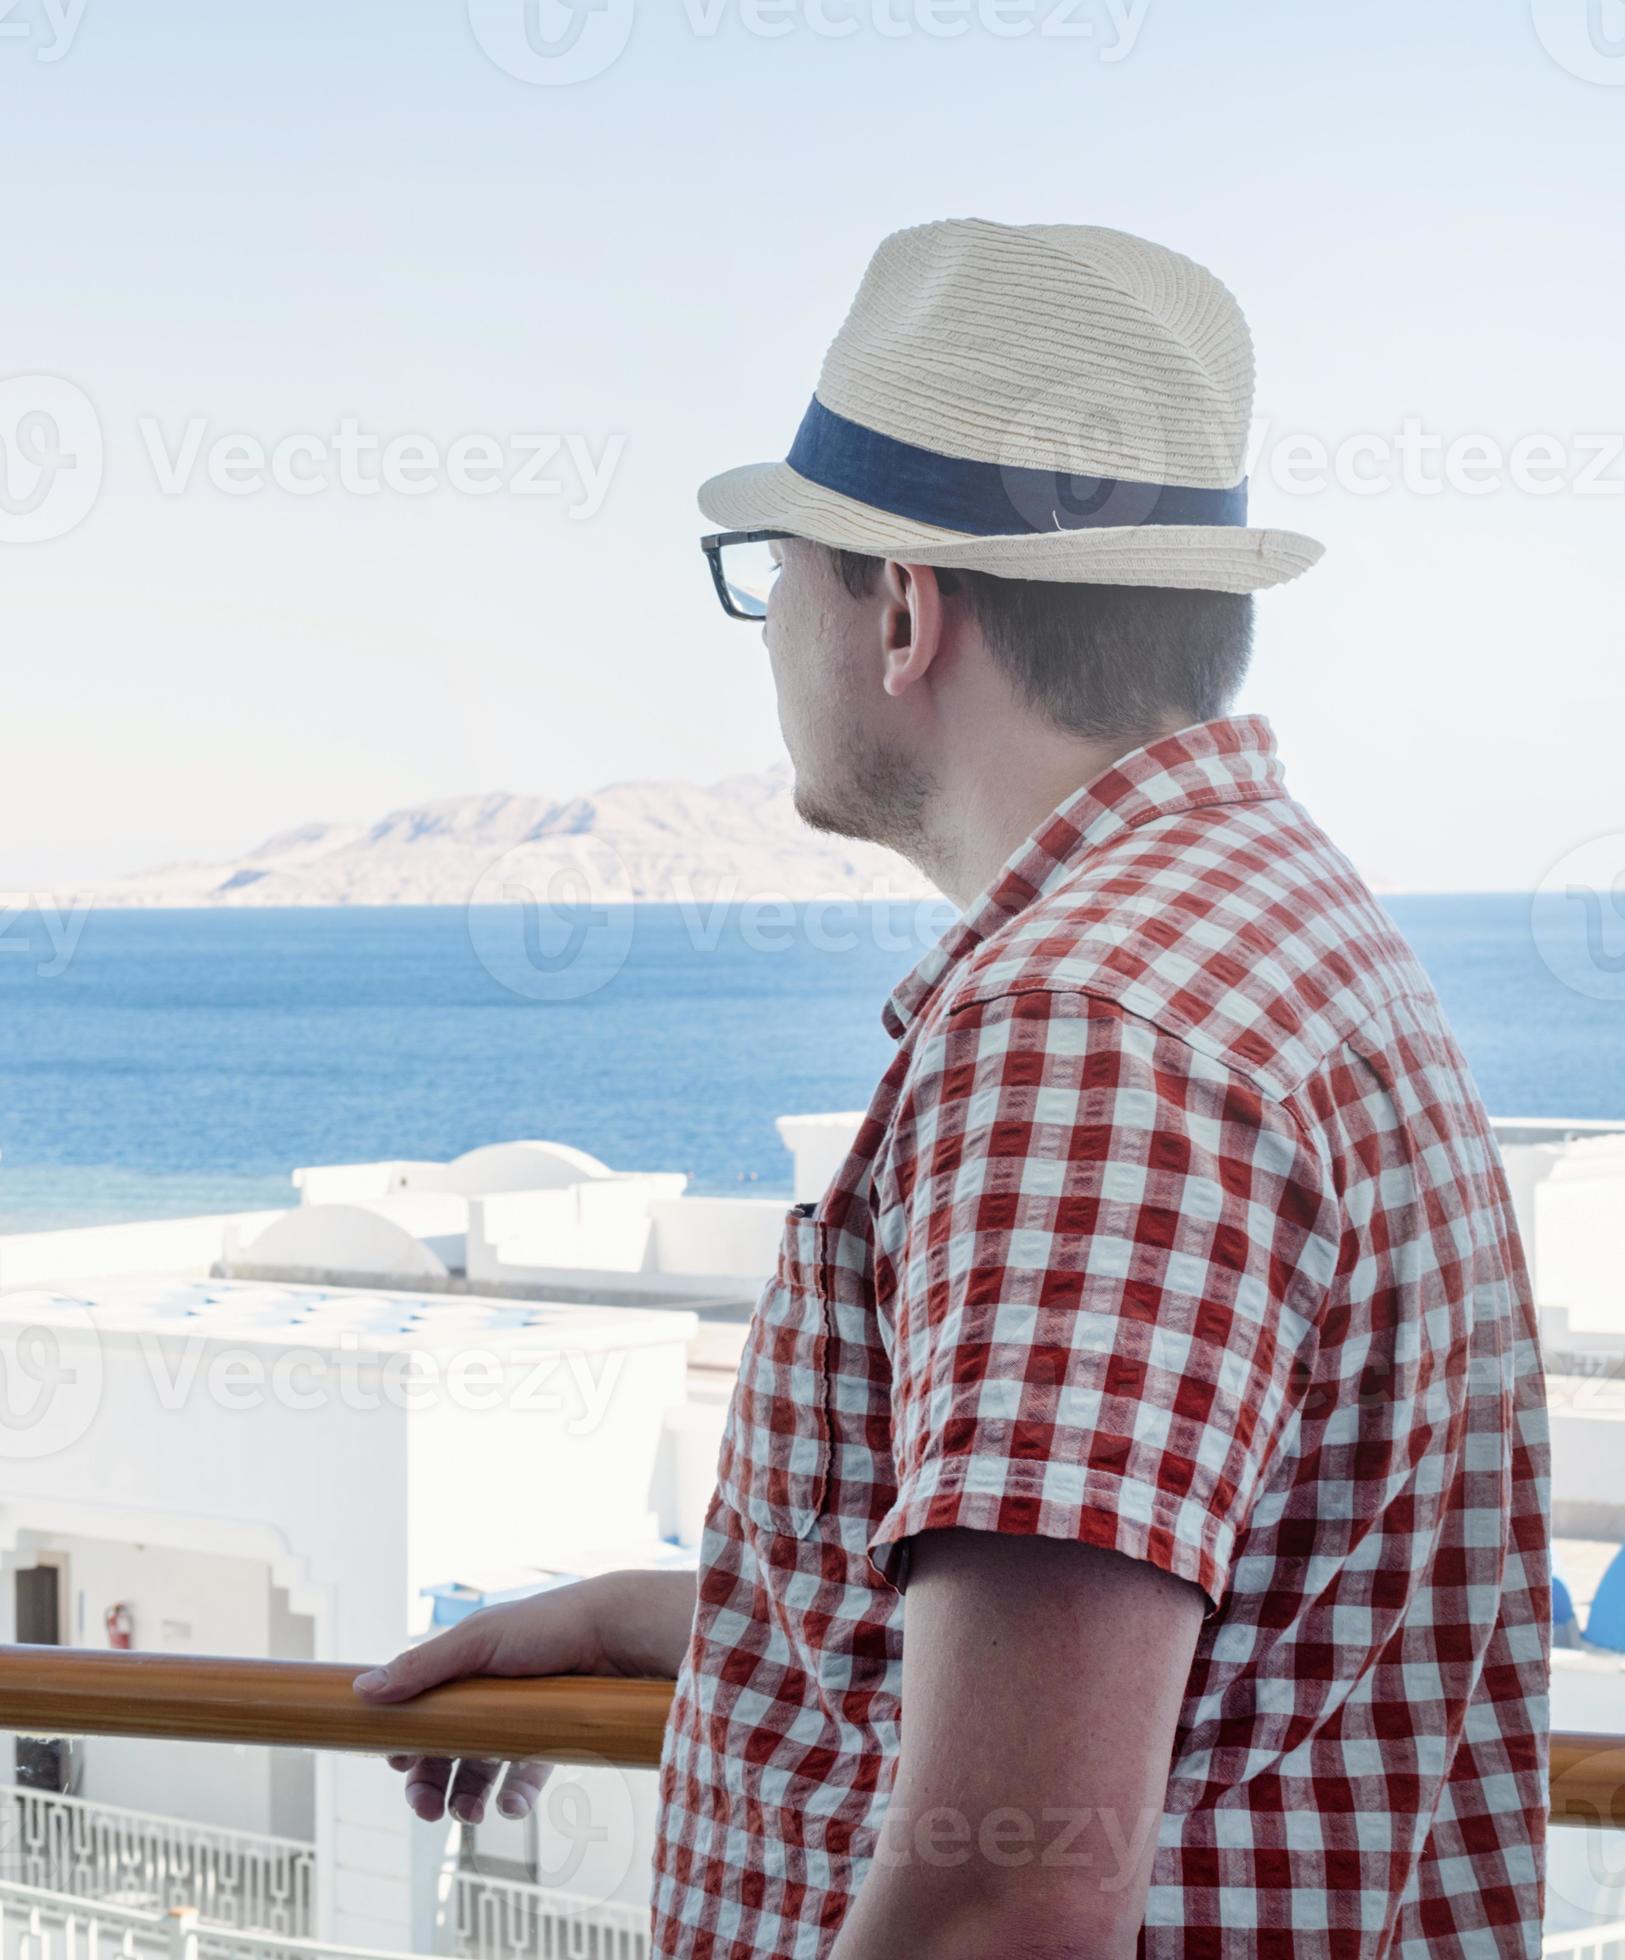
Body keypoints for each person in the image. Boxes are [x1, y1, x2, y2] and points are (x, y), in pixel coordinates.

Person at [357, 220, 1549, 1957]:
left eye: (776, 571)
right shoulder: (1278, 925)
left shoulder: (1085, 1036)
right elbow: (1223, 1651)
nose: (766, 631)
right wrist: (706, 1623)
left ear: (903, 609)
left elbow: (1007, 1900)